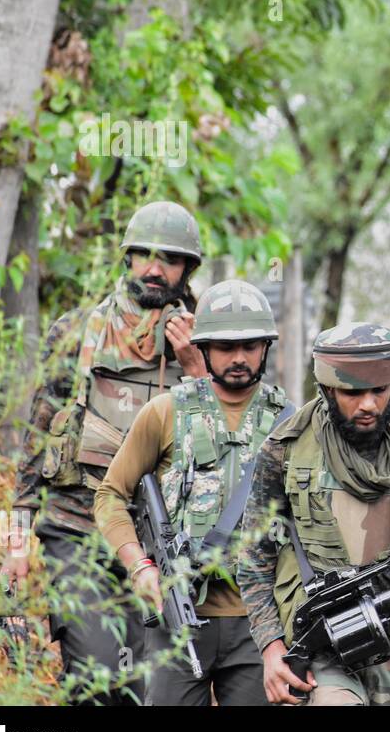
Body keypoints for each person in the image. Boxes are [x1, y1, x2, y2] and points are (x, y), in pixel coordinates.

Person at [2, 200, 205, 704]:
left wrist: (198, 372)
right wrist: (15, 539)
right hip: (79, 532)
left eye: (170, 259)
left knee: (148, 685)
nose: (155, 269)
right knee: (95, 675)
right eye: (145, 255)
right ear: (127, 258)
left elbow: (229, 450)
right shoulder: (77, 333)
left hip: (161, 549)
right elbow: (38, 437)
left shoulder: (205, 344)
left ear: (187, 270)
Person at [237, 322, 390, 705]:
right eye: (352, 392)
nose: (368, 405)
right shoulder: (285, 449)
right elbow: (254, 558)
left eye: (380, 390)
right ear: (327, 389)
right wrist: (271, 648)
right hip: (324, 642)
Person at [95, 279, 290, 704]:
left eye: (250, 345)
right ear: (202, 348)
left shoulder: (290, 423)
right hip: (178, 615)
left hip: (262, 626)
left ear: (265, 348)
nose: (238, 357)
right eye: (223, 346)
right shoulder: (165, 412)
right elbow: (110, 495)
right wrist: (140, 566)